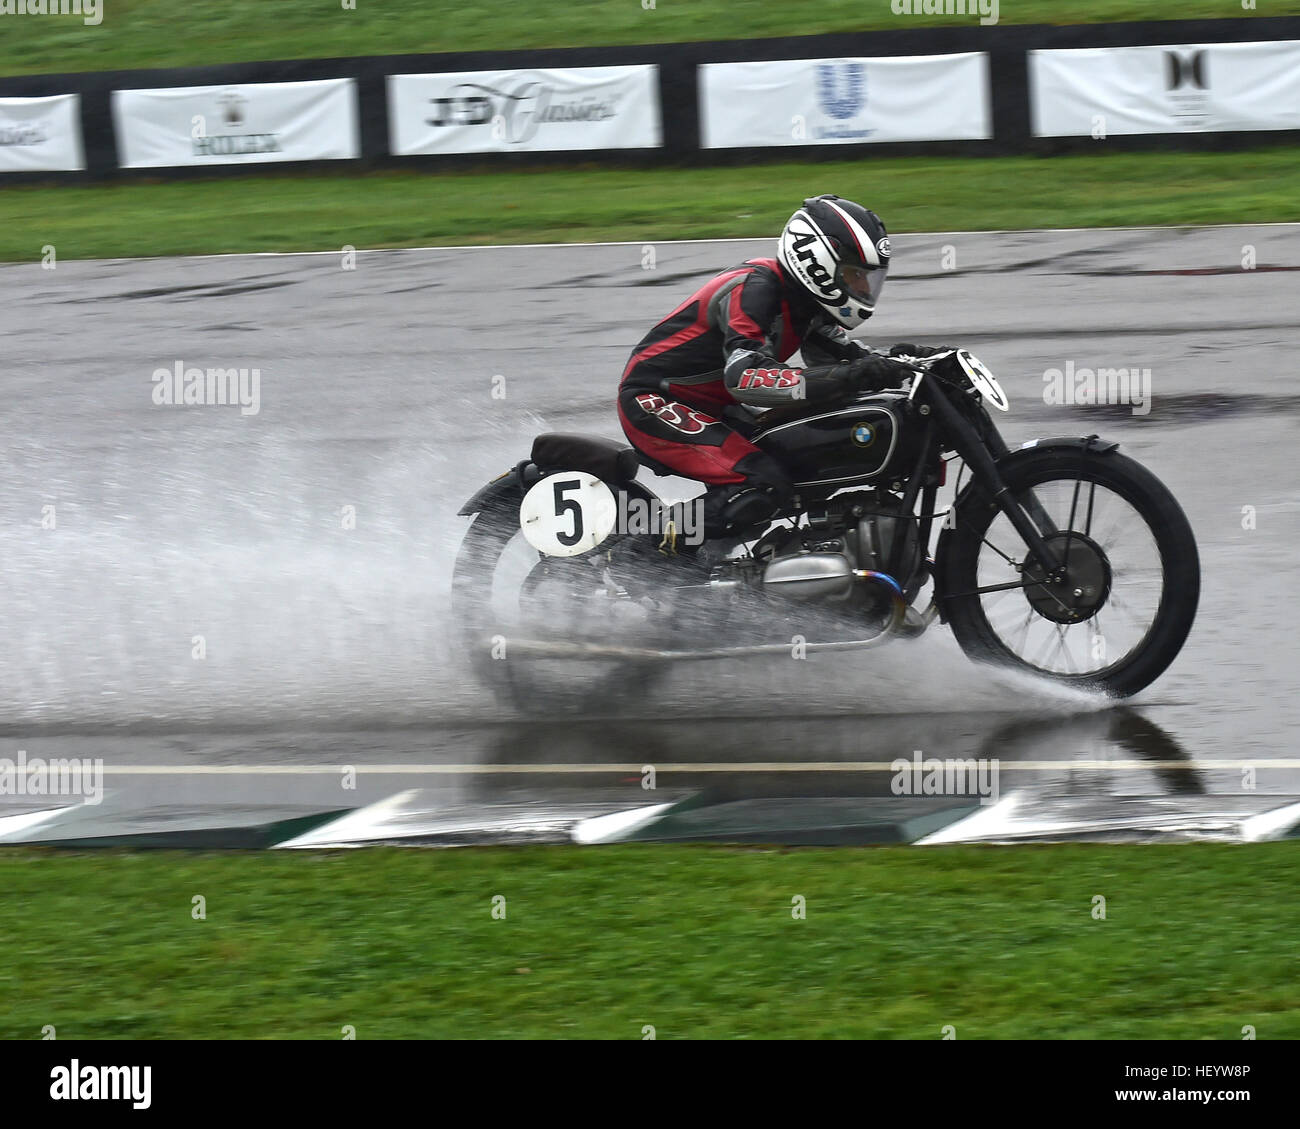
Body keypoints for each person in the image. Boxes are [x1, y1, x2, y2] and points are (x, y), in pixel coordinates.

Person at [618, 194, 943, 555]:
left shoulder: (808, 306)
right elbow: (744, 377)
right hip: (653, 400)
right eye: (855, 275)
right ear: (817, 263)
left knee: (805, 462)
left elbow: (851, 358)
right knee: (763, 483)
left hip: (712, 407)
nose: (864, 289)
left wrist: (913, 361)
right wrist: (856, 375)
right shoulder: (756, 288)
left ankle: (714, 565)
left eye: (868, 278)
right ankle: (640, 552)